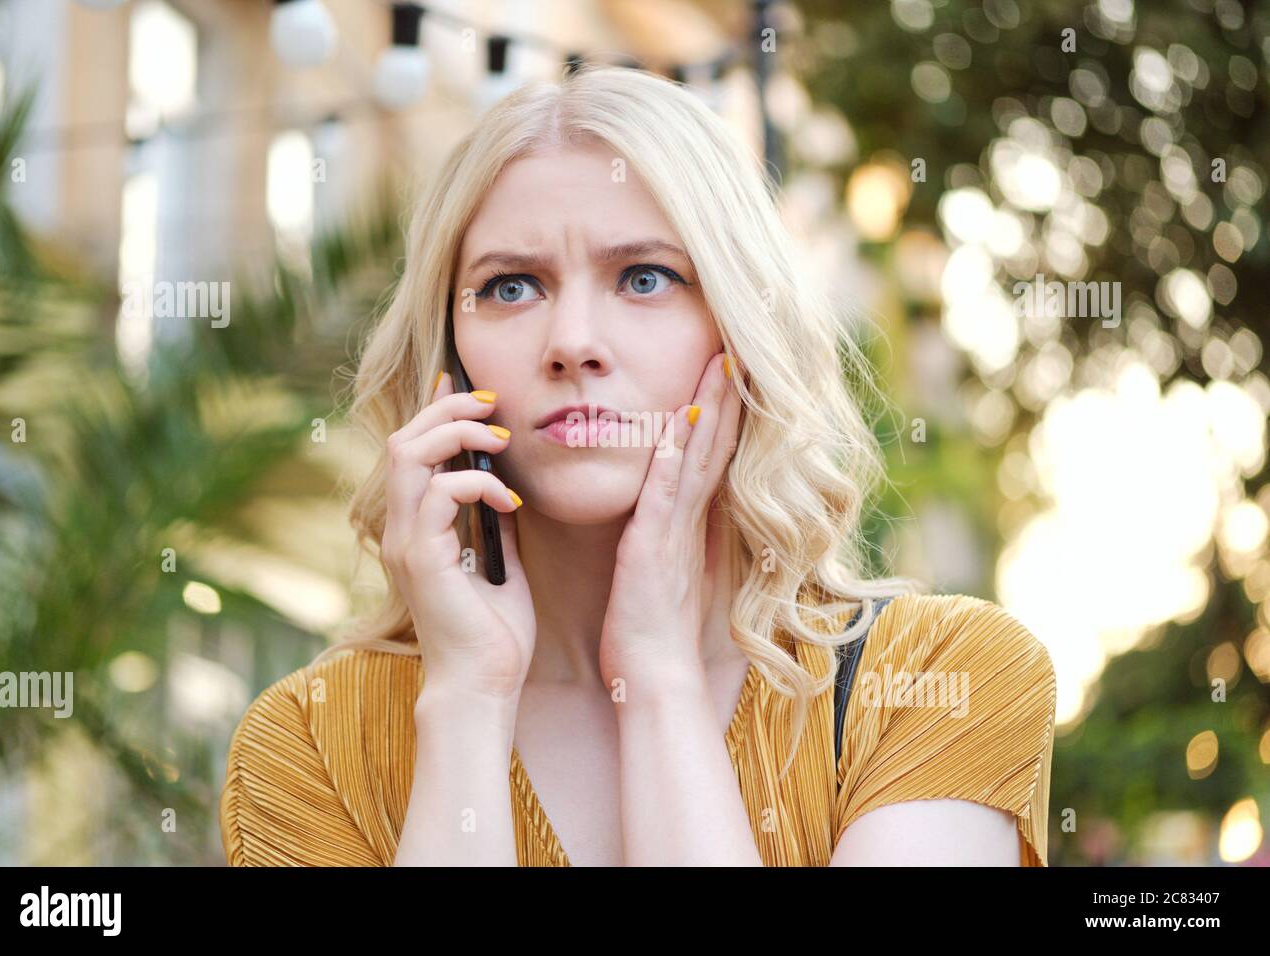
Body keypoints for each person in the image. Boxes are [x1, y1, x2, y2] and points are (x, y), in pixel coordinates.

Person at [218, 65, 1056, 867]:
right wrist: (469, 699)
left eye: (644, 277)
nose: (573, 341)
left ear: (739, 328)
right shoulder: (309, 745)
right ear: (449, 356)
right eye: (512, 287)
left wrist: (657, 680)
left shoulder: (936, 683)